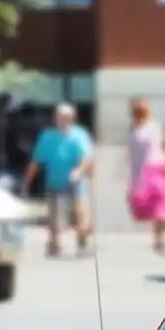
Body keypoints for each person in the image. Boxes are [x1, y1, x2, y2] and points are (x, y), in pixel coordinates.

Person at [22, 103, 95, 257]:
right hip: (55, 181)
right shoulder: (47, 137)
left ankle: (83, 238)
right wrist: (27, 180)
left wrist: (79, 171)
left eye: (67, 117)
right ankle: (55, 244)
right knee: (55, 216)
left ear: (72, 118)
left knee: (80, 213)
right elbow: (36, 160)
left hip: (75, 183)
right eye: (61, 117)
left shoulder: (79, 135)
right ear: (56, 118)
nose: (64, 120)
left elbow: (87, 157)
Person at [125, 98, 165, 254]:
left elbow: (158, 148)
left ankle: (161, 239)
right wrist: (134, 178)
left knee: (162, 206)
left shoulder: (154, 127)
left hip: (156, 169)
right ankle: (159, 239)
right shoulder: (133, 130)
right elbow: (133, 156)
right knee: (151, 208)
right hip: (142, 172)